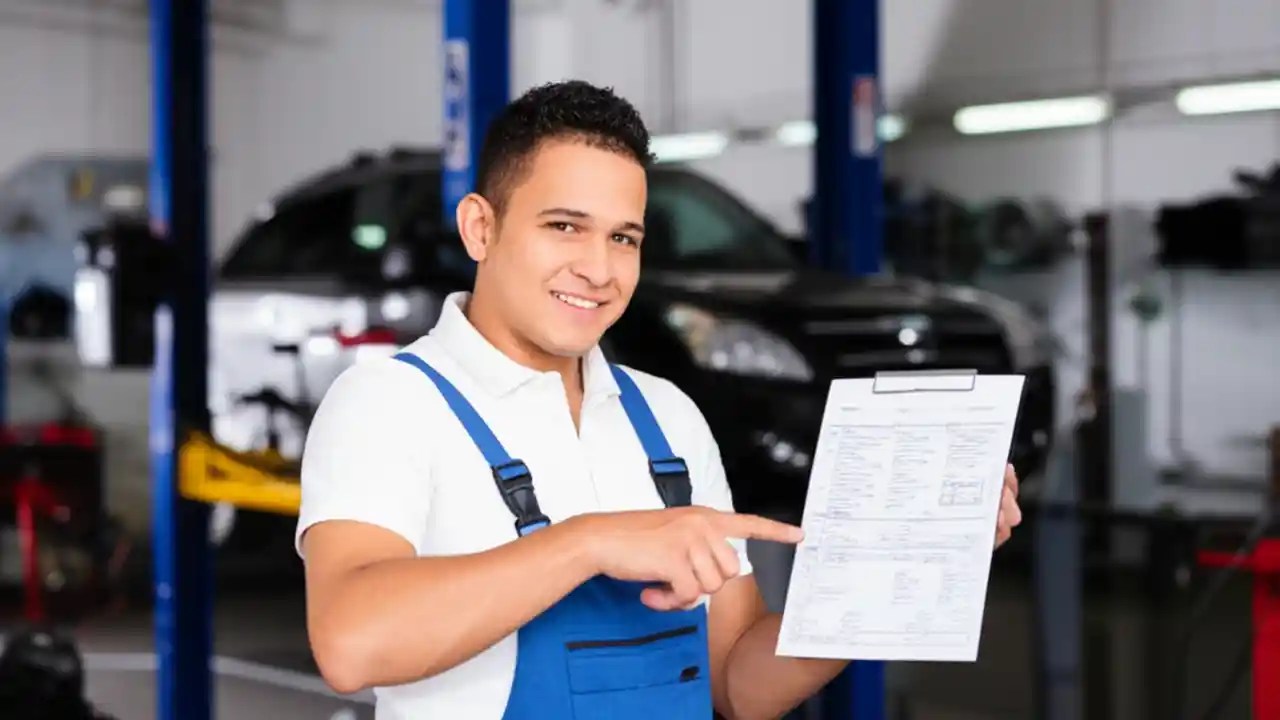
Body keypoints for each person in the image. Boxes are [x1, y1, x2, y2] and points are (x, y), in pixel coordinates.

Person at [296, 80, 1023, 719]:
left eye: (624, 238)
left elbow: (740, 685)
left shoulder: (666, 418)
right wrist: (590, 540)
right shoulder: (388, 402)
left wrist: (904, 559)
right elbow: (351, 643)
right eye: (564, 227)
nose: (598, 268)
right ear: (481, 227)